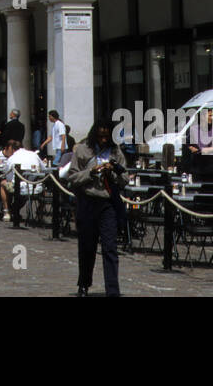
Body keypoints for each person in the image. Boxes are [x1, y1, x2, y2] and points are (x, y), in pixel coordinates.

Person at [64, 122, 127, 296]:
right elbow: (73, 176)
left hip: (108, 204)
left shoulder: (116, 152)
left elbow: (125, 178)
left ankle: (113, 290)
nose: (104, 139)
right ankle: (84, 284)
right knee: (87, 246)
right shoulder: (82, 150)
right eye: (100, 136)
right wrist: (91, 172)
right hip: (88, 201)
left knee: (110, 247)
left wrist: (112, 171)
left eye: (107, 136)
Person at [0, 139, 42, 222]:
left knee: (3, 184)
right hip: (35, 188)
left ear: (13, 149)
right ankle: (39, 212)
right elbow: (43, 169)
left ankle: (6, 211)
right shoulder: (34, 155)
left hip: (18, 188)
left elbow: (8, 177)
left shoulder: (11, 158)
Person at [187, 109, 213, 182]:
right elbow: (188, 146)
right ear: (202, 117)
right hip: (197, 169)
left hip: (210, 169)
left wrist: (201, 150)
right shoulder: (193, 130)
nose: (212, 118)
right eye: (210, 115)